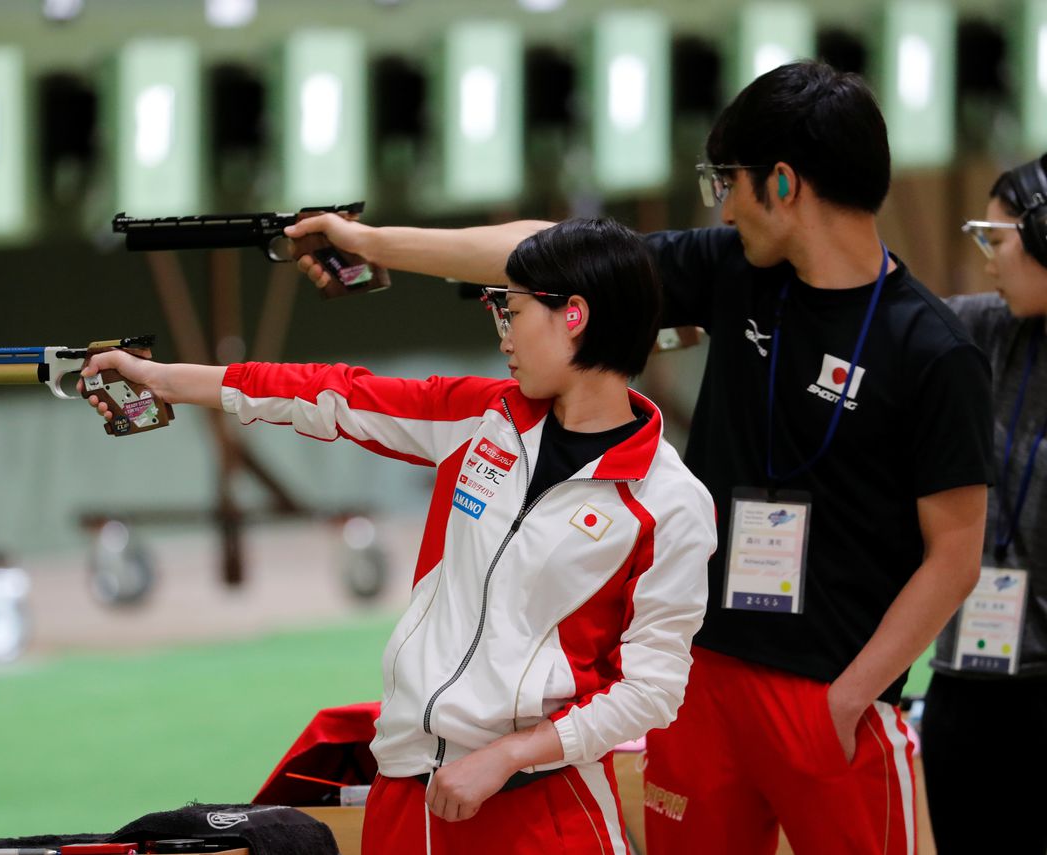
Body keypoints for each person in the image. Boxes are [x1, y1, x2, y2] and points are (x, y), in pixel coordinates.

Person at [284, 60, 994, 854]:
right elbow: (552, 254)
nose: (723, 204)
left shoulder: (933, 350)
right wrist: (372, 241)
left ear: (784, 184)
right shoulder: (737, 271)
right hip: (702, 680)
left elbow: (956, 554)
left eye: (730, 181)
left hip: (831, 693)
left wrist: (851, 696)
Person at [84, 219, 717, 854]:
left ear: (572, 315)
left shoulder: (672, 503)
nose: (502, 330)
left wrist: (509, 756)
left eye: (511, 308)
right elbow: (330, 393)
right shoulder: (482, 415)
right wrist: (167, 381)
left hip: (544, 809)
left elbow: (651, 691)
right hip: (404, 795)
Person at [921, 155, 1047, 855]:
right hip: (969, 676)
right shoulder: (986, 329)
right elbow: (884, 315)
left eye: (997, 239)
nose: (988, 260)